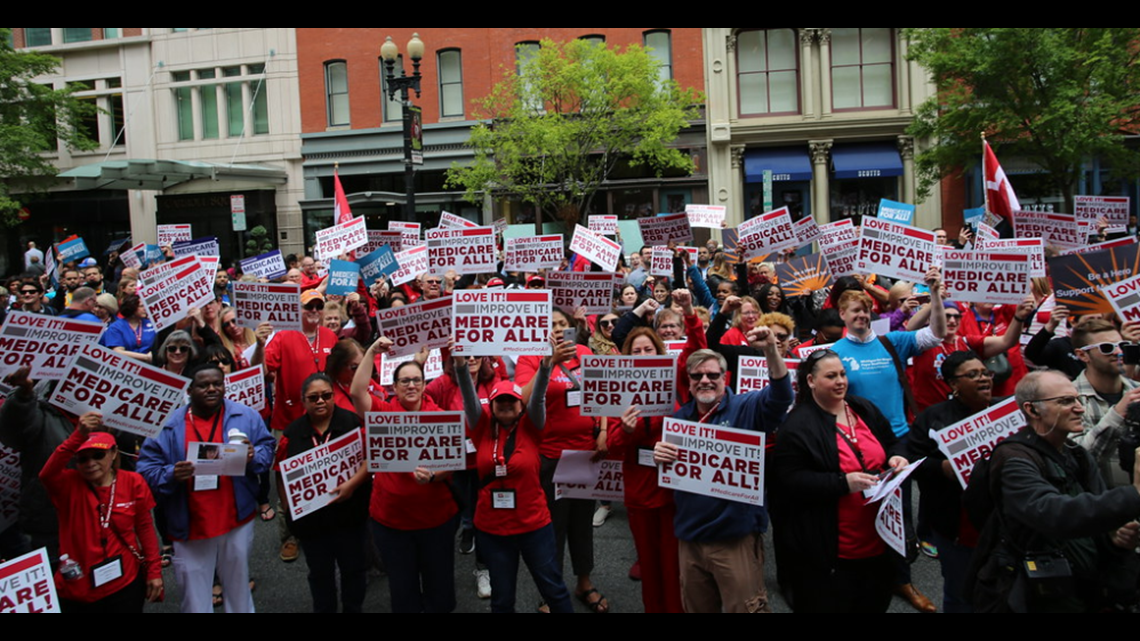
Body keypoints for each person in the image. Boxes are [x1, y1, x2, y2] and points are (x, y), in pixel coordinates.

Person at [971, 370, 1140, 613]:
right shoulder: (1013, 459)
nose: (1079, 409)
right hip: (1033, 596)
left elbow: (1094, 515)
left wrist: (1114, 537)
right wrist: (1134, 494)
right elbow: (1052, 514)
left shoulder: (1077, 454)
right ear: (1032, 410)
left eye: (1077, 400)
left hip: (1081, 591)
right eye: (1065, 401)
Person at [653, 338, 793, 613]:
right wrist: (659, 456)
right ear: (689, 380)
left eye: (712, 375)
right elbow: (674, 472)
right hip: (690, 539)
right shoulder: (679, 421)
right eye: (697, 376)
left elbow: (782, 396)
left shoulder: (746, 407)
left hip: (734, 540)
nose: (704, 380)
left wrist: (771, 351)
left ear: (724, 377)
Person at [770, 350, 908, 613]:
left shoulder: (862, 408)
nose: (840, 381)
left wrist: (897, 457)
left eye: (843, 374)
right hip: (831, 552)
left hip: (880, 541)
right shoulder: (797, 426)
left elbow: (893, 442)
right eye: (831, 376)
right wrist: (842, 483)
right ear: (811, 381)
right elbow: (788, 481)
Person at [138, 364, 276, 614]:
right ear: (189, 390)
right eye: (203, 385)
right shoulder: (167, 425)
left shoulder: (245, 415)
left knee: (238, 590)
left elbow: (267, 448)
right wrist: (171, 474)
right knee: (194, 597)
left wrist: (254, 456)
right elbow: (145, 471)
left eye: (217, 383)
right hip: (190, 524)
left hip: (236, 519)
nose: (212, 389)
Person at [454, 335, 575, 614]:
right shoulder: (480, 426)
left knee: (554, 590)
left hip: (534, 526)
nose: (506, 405)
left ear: (521, 406)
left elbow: (540, 394)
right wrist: (460, 362)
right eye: (500, 401)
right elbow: (468, 395)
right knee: (502, 598)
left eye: (512, 401)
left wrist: (545, 366)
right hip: (493, 530)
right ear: (491, 406)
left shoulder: (532, 426)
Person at [515, 308, 609, 613]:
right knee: (551, 526)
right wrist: (549, 363)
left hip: (585, 453)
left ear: (571, 328)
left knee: (581, 523)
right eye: (551, 325)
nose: (557, 329)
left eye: (562, 324)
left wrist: (604, 430)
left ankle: (584, 582)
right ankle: (551, 591)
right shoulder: (531, 357)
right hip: (549, 457)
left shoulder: (584, 352)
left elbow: (602, 393)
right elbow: (522, 400)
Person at [352, 355, 459, 613]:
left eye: (416, 380)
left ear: (424, 384)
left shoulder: (440, 416)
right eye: (404, 381)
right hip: (391, 524)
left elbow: (452, 463)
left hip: (436, 522)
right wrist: (374, 349)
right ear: (394, 386)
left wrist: (434, 475)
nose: (411, 385)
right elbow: (356, 391)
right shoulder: (383, 414)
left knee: (439, 585)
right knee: (402, 587)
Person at [39, 414, 163, 613]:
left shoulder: (133, 482)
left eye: (98, 455)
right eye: (82, 459)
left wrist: (154, 571)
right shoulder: (68, 484)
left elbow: (145, 527)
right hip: (79, 588)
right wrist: (78, 436)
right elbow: (46, 474)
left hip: (125, 583)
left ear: (113, 453)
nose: (90, 463)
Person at [908, 351, 998, 613]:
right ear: (953, 384)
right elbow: (913, 461)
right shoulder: (934, 418)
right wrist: (942, 468)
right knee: (961, 594)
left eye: (984, 373)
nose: (983, 379)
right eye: (972, 375)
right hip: (957, 526)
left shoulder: (1006, 411)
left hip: (1003, 523)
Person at [276, 374, 370, 613]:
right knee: (319, 574)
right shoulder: (291, 434)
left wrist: (352, 485)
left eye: (326, 396)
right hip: (312, 523)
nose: (320, 401)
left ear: (333, 396)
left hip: (351, 515)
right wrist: (289, 510)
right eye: (313, 397)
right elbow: (281, 473)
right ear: (303, 401)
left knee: (354, 569)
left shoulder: (353, 423)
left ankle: (352, 608)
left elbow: (371, 458)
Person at [606, 328, 684, 613]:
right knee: (649, 567)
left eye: (648, 350)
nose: (642, 356)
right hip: (640, 494)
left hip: (673, 492)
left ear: (659, 353)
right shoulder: (617, 395)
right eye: (636, 351)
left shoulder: (675, 383)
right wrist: (626, 431)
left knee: (674, 566)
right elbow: (611, 447)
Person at [1069, 319, 1140, 488]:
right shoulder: (1070, 400)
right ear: (1082, 355)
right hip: (1103, 505)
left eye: (1122, 345)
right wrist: (1116, 414)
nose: (1117, 352)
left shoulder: (1137, 391)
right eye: (1106, 348)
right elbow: (1079, 459)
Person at [100, 295, 156, 363]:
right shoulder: (116, 327)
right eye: (141, 306)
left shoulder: (152, 324)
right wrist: (146, 357)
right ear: (131, 308)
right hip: (126, 365)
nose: (145, 308)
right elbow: (118, 352)